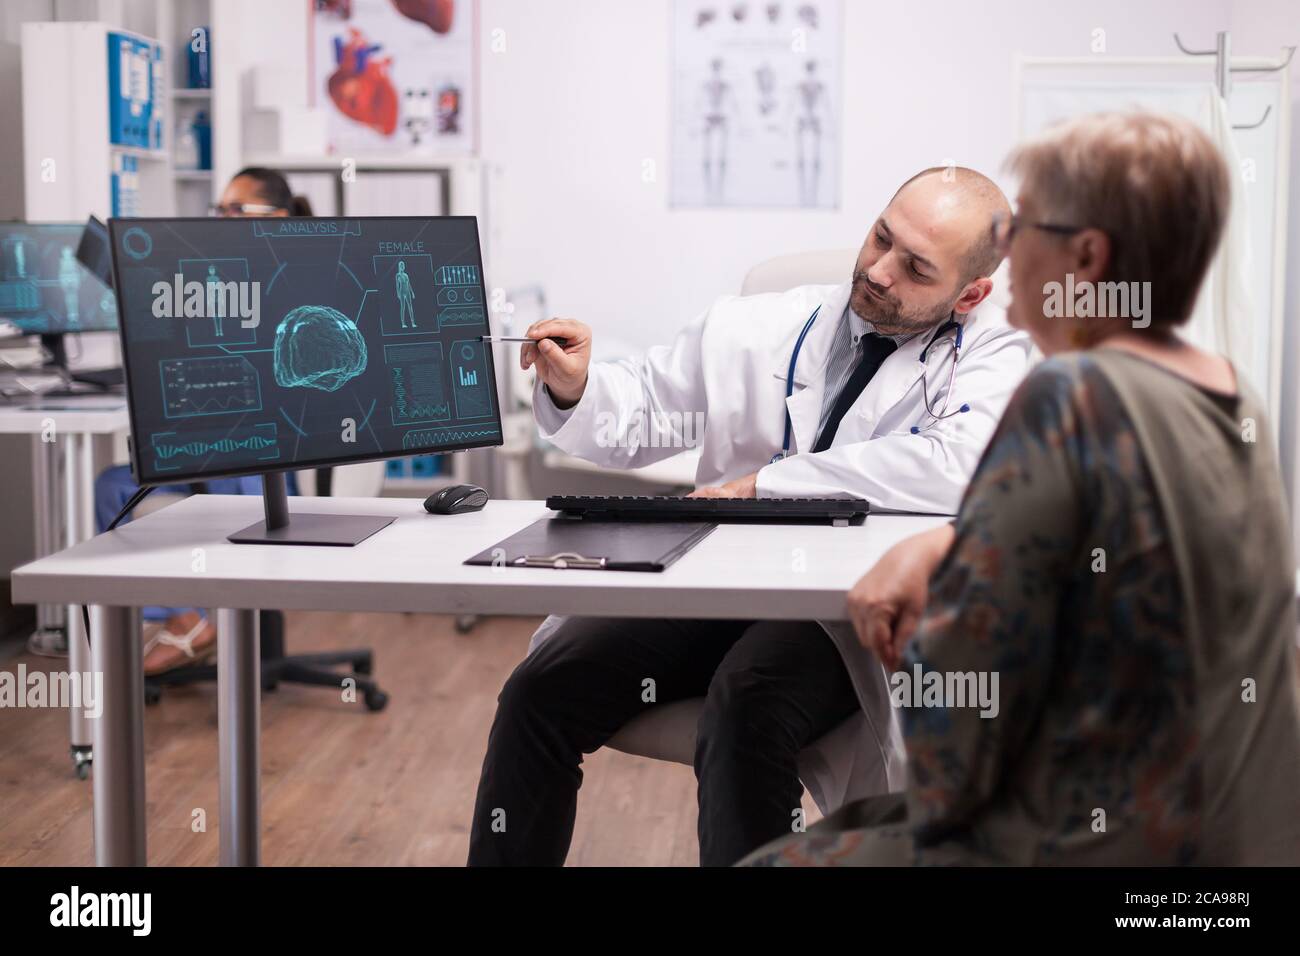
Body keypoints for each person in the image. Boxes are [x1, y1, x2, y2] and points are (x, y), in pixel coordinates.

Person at [743, 112, 1300, 866]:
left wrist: (918, 637)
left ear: (1088, 256)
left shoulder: (1067, 396)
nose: (1002, 254)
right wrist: (955, 543)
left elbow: (951, 751)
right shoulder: (1234, 399)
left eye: (1022, 226)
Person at [468, 167, 1035, 866]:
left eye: (917, 267)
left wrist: (770, 485)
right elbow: (647, 410)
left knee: (746, 707)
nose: (881, 271)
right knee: (538, 693)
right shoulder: (756, 322)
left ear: (969, 294)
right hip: (711, 576)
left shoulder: (994, 355)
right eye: (881, 237)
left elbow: (962, 465)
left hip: (833, 612)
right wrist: (578, 387)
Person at [89, 168, 309, 675]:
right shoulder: (215, 272)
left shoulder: (294, 275)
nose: (223, 219)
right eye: (221, 209)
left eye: (237, 210)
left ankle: (216, 614)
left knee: (236, 469)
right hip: (206, 434)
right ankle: (185, 616)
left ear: (277, 218)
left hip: (268, 445)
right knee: (112, 486)